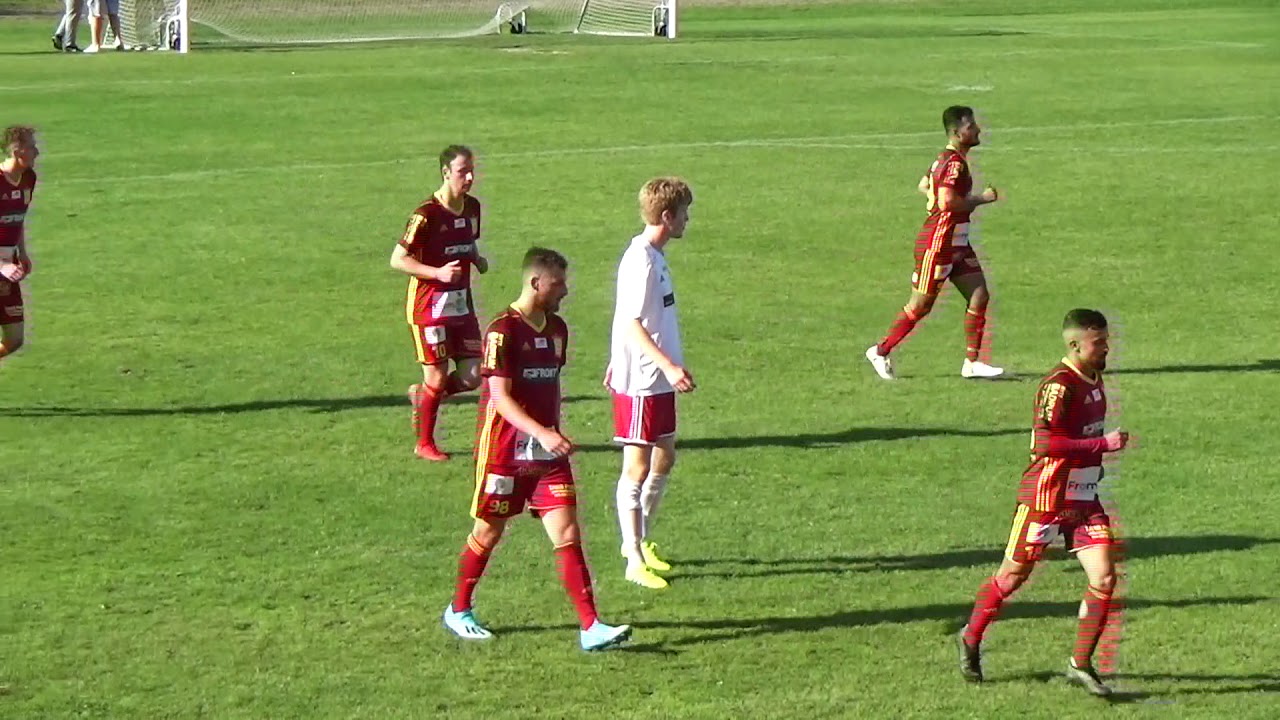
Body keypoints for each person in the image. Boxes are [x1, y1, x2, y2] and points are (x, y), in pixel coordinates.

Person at [443, 247, 633, 652]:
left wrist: (552, 432)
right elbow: (500, 398)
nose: (565, 290)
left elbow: (551, 385)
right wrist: (542, 432)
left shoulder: (557, 329)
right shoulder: (502, 332)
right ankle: (458, 609)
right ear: (535, 283)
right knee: (488, 531)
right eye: (558, 283)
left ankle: (590, 626)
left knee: (567, 531)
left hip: (546, 455)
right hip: (504, 453)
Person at [956, 308, 1131, 696]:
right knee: (1011, 578)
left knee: (1104, 576)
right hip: (1046, 498)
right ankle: (970, 636)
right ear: (1074, 344)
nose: (1106, 347)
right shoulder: (1058, 385)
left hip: (1084, 498)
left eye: (1106, 340)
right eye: (1098, 342)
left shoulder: (1094, 376)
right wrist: (1103, 445)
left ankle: (1080, 664)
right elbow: (1044, 443)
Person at [865, 105, 1004, 380]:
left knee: (979, 294)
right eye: (970, 127)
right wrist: (981, 199)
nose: (977, 130)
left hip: (958, 243)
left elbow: (924, 185)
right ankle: (880, 351)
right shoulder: (953, 163)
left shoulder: (944, 160)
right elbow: (947, 202)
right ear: (956, 132)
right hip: (939, 245)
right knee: (920, 306)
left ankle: (972, 362)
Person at [605, 177, 695, 590]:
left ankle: (639, 540)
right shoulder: (640, 258)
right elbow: (631, 321)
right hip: (644, 380)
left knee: (666, 456)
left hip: (654, 378)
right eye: (684, 214)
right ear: (666, 216)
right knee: (636, 467)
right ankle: (632, 555)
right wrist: (669, 367)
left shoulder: (654, 255)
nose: (687, 221)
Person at [390, 145, 489, 461]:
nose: (470, 177)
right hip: (428, 308)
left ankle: (425, 398)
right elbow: (398, 259)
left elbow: (465, 243)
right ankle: (425, 443)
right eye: (463, 172)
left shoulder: (472, 208)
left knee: (473, 374)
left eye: (472, 170)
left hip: (461, 305)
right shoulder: (426, 215)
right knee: (435, 375)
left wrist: (476, 258)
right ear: (446, 173)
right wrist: (437, 272)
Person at [1, 126, 39, 364]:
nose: (37, 152)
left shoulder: (28, 178)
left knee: (14, 340)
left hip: (8, 268)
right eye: (32, 147)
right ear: (17, 151)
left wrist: (22, 253)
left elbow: (18, 217)